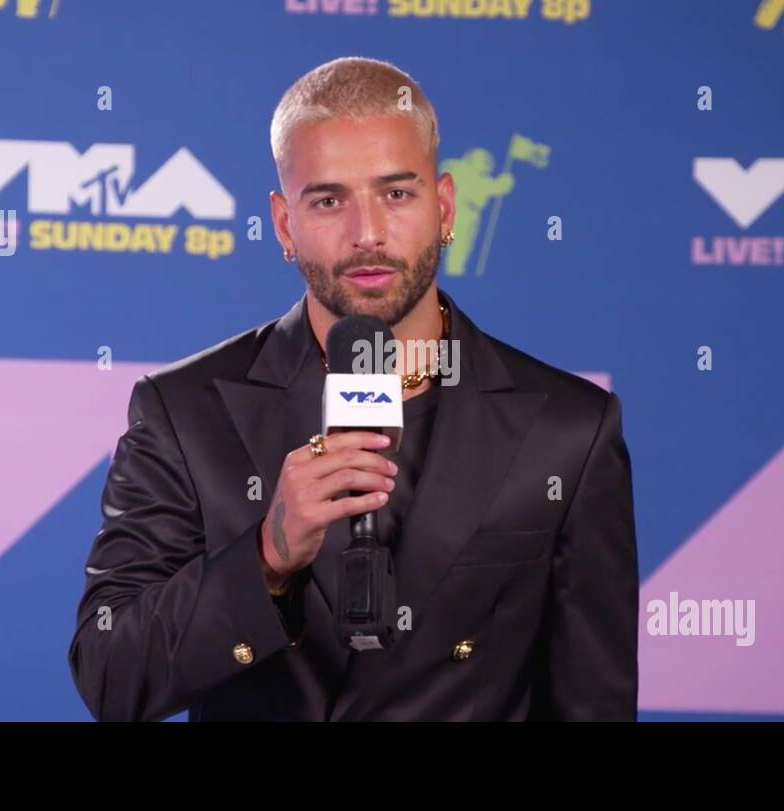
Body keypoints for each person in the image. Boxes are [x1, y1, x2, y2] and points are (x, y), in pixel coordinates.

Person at [68, 56, 637, 721]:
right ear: (284, 225)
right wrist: (268, 556)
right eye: (330, 200)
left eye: (396, 193)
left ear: (445, 206)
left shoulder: (568, 431)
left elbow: (592, 707)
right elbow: (111, 673)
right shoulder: (186, 413)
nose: (367, 234)